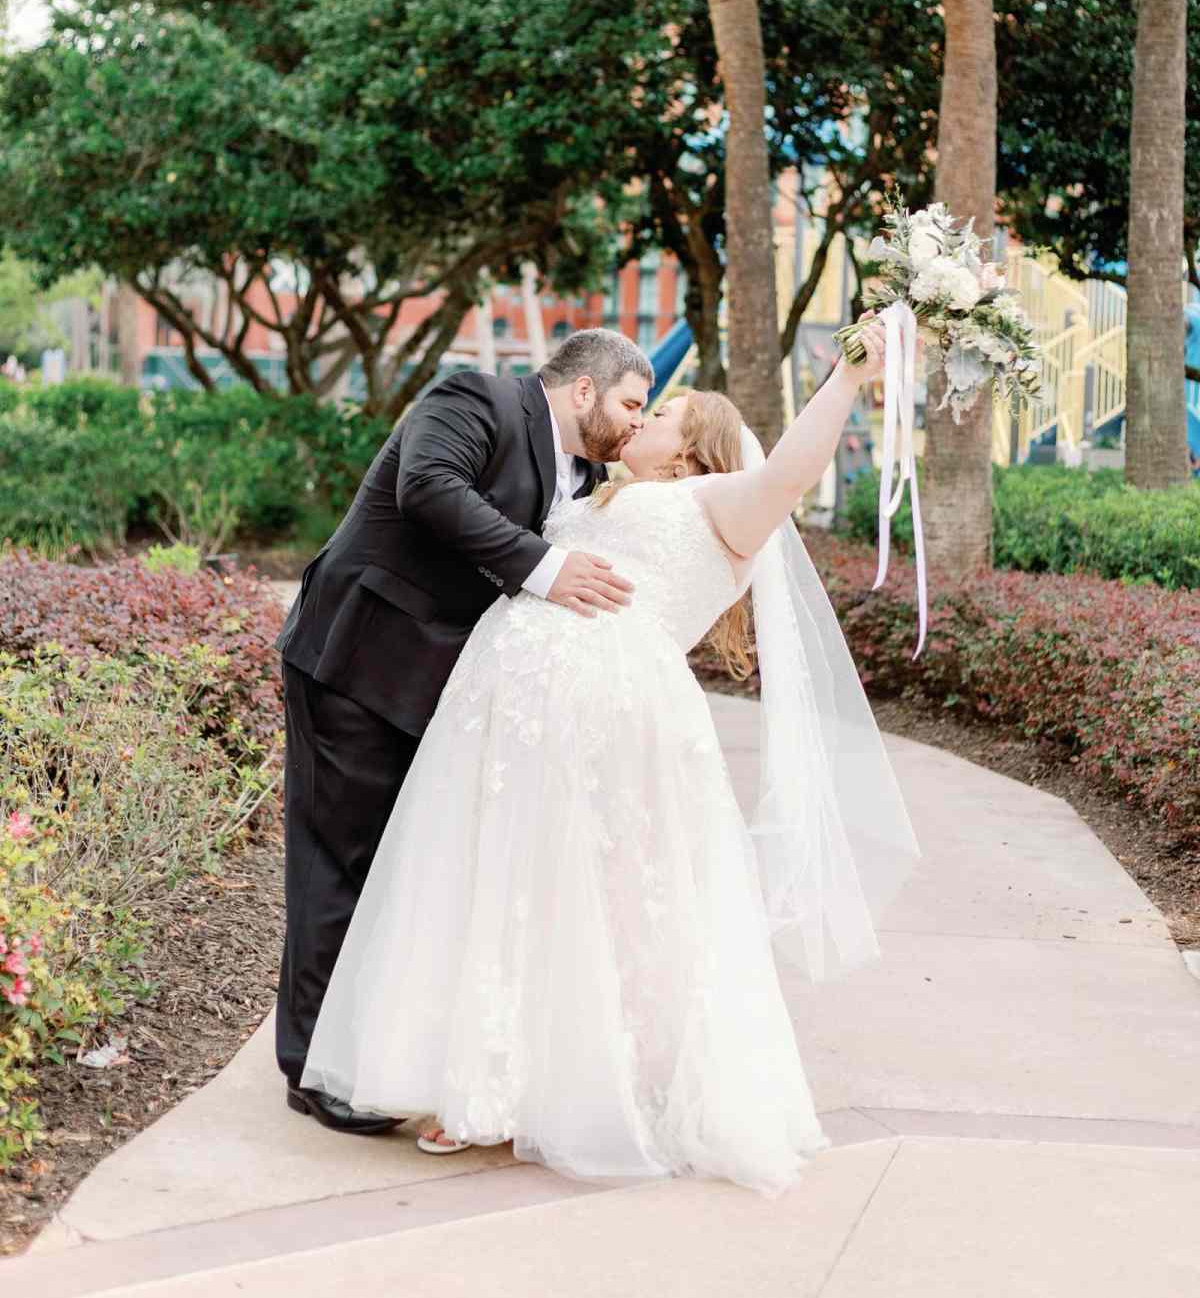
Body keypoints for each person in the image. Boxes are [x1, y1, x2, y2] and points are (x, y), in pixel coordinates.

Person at [300, 319, 920, 1192]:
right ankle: (481, 1079)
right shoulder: (599, 490)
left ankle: (585, 1086)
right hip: (511, 713)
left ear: (695, 448)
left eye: (660, 411)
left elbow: (788, 472)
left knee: (595, 898)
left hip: (602, 713)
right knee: (503, 886)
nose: (644, 420)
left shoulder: (723, 503)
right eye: (637, 402)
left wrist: (849, 378)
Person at [275, 328, 654, 1131]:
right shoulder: (477, 399)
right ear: (583, 389)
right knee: (336, 865)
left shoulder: (586, 473)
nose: (636, 424)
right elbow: (430, 488)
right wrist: (545, 570)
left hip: (435, 691)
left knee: (393, 872)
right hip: (354, 662)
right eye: (630, 403)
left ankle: (364, 1048)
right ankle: (311, 1070)